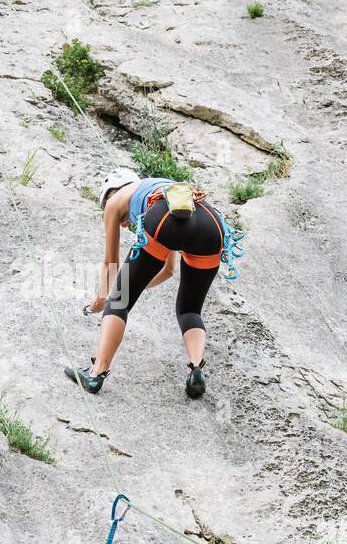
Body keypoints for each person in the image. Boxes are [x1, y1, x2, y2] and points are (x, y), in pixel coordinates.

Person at [65, 167, 237, 399]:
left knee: (119, 300)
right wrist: (136, 283)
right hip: (212, 226)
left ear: (111, 193)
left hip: (164, 219)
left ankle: (96, 373)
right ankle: (196, 370)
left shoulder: (115, 201)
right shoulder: (165, 190)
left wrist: (104, 296)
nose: (125, 226)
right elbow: (168, 270)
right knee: (189, 309)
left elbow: (110, 263)